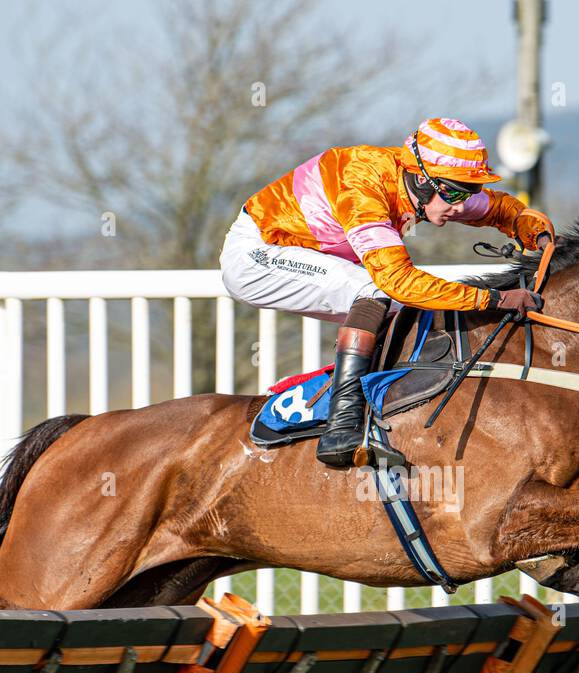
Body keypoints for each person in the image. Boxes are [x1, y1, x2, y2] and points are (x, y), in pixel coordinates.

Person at [221, 117, 554, 468]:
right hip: (256, 255)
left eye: (467, 191)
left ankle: (371, 399)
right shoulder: (363, 184)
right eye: (454, 192)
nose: (460, 204)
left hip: (304, 253)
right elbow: (396, 279)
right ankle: (342, 425)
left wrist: (533, 229)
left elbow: (499, 208)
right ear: (422, 180)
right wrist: (495, 299)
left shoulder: (429, 185)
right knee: (376, 289)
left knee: (399, 306)